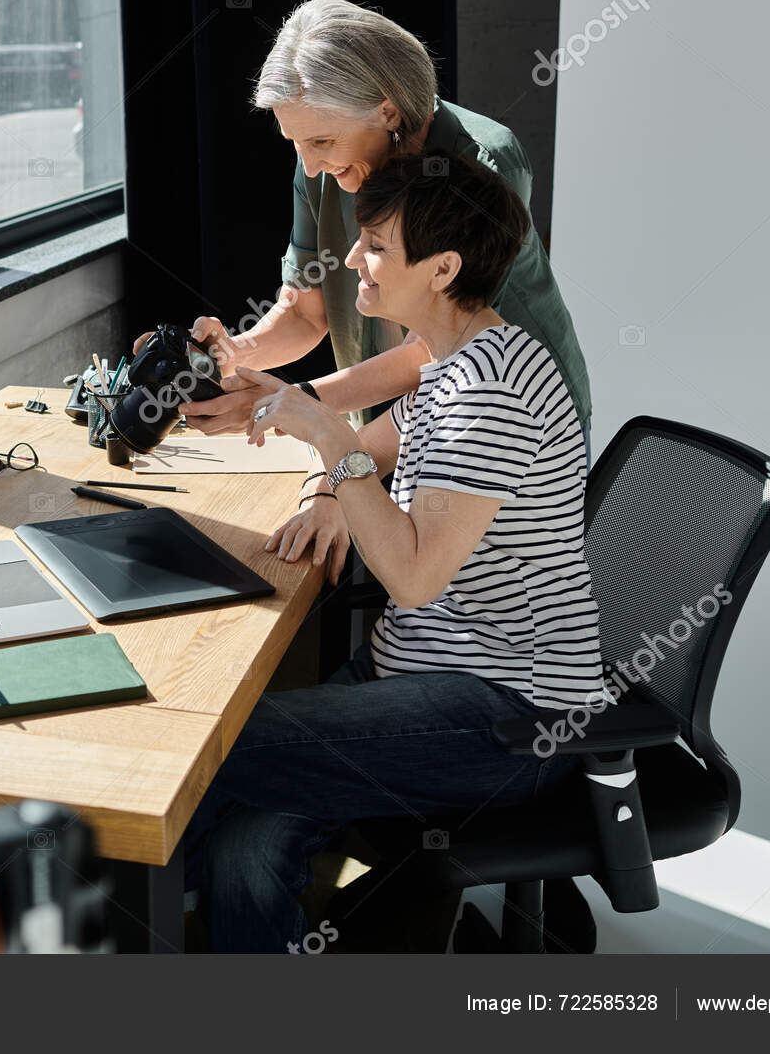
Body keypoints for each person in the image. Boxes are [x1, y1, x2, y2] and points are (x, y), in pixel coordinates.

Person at [182, 149, 602, 953]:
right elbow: (367, 456)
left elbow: (410, 572)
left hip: (508, 716)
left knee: (206, 738)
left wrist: (327, 439)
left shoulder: (493, 392)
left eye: (374, 245)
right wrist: (284, 411)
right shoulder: (455, 361)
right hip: (419, 670)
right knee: (244, 848)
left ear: (441, 268)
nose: (351, 260)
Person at [153, 0, 591, 583]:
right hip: (404, 413)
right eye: (296, 144)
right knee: (408, 605)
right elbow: (306, 311)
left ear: (386, 110)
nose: (308, 166)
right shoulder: (324, 160)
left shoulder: (479, 164)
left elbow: (447, 347)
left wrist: (298, 406)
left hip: (490, 414)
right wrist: (237, 355)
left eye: (322, 143)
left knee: (461, 598)